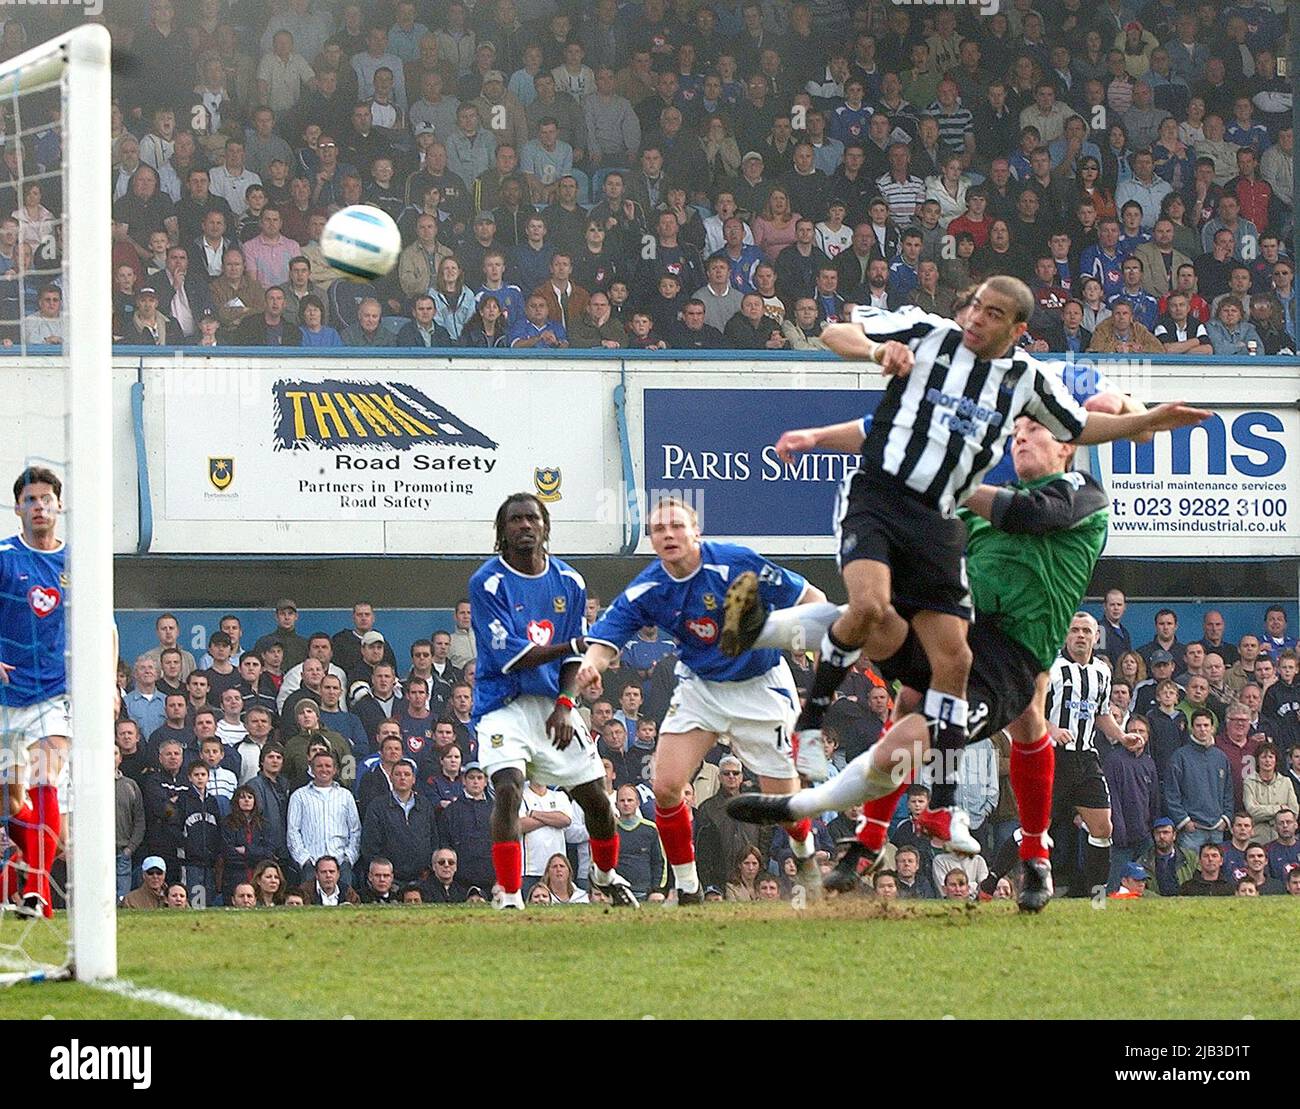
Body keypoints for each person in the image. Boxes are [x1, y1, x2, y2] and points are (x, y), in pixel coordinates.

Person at [736, 281, 1205, 878]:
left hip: (1012, 651)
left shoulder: (1075, 480)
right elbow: (874, 401)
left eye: (1035, 430)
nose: (1023, 434)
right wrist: (825, 432)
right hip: (968, 620)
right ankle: (762, 641)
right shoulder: (953, 386)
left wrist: (1144, 416)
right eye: (971, 311)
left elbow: (1093, 434)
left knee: (989, 713)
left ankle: (1019, 847)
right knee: (888, 640)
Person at [577, 498, 828, 903]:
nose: (668, 534)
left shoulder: (735, 563)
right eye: (659, 529)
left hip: (759, 686)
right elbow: (607, 636)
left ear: (697, 531)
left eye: (677, 525)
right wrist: (592, 664)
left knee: (784, 805)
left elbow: (811, 599)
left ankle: (805, 854)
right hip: (700, 687)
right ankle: (689, 889)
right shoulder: (649, 588)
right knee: (665, 785)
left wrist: (796, 633)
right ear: (653, 541)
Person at [469, 493, 638, 910]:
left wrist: (566, 703)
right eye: (515, 520)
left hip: (552, 702)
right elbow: (516, 654)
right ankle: (509, 896)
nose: (524, 526)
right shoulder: (487, 583)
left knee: (596, 798)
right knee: (509, 789)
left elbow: (575, 659)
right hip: (502, 704)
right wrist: (575, 642)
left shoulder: (570, 582)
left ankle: (605, 876)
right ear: (501, 531)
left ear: (545, 526)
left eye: (532, 518)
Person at [0, 467, 71, 917]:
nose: (40, 506)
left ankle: (39, 895)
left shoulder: (77, 562)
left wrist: (106, 684)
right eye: (31, 499)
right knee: (14, 801)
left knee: (46, 775)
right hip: (6, 698)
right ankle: (20, 861)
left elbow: (105, 625)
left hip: (54, 695)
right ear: (18, 508)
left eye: (47, 498)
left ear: (59, 505)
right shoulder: (5, 557)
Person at [1043, 612, 1143, 897]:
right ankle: (992, 884)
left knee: (1102, 828)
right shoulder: (1051, 668)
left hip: (1086, 758)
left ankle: (1097, 897)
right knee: (1037, 829)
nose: (1080, 636)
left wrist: (1122, 736)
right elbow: (1029, 708)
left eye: (1086, 631)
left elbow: (1100, 714)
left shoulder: (1102, 671)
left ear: (1096, 637)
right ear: (1066, 635)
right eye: (1074, 630)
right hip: (1053, 757)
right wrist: (1051, 728)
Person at [286, 750, 361, 888]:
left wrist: (349, 858)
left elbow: (355, 830)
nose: (324, 769)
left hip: (340, 862)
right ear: (312, 769)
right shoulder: (299, 796)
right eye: (319, 766)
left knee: (345, 905)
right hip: (311, 864)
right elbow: (293, 831)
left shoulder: (346, 796)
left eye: (328, 766)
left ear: (335, 770)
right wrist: (304, 860)